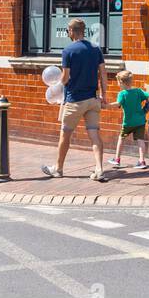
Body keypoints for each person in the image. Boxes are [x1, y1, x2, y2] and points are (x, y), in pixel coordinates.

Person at [42, 18, 106, 180]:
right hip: (92, 99)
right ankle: (99, 169)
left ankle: (58, 169)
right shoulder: (96, 49)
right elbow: (103, 74)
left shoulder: (68, 51)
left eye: (68, 31)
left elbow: (64, 78)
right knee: (94, 135)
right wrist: (104, 95)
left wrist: (56, 87)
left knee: (65, 135)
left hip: (74, 100)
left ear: (71, 31)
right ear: (83, 31)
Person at [106, 69, 149, 170]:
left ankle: (117, 159)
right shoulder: (138, 91)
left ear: (121, 82)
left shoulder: (122, 94)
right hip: (140, 121)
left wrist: (106, 105)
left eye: (117, 81)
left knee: (122, 138)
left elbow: (117, 104)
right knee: (140, 140)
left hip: (128, 123)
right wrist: (146, 108)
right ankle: (142, 161)